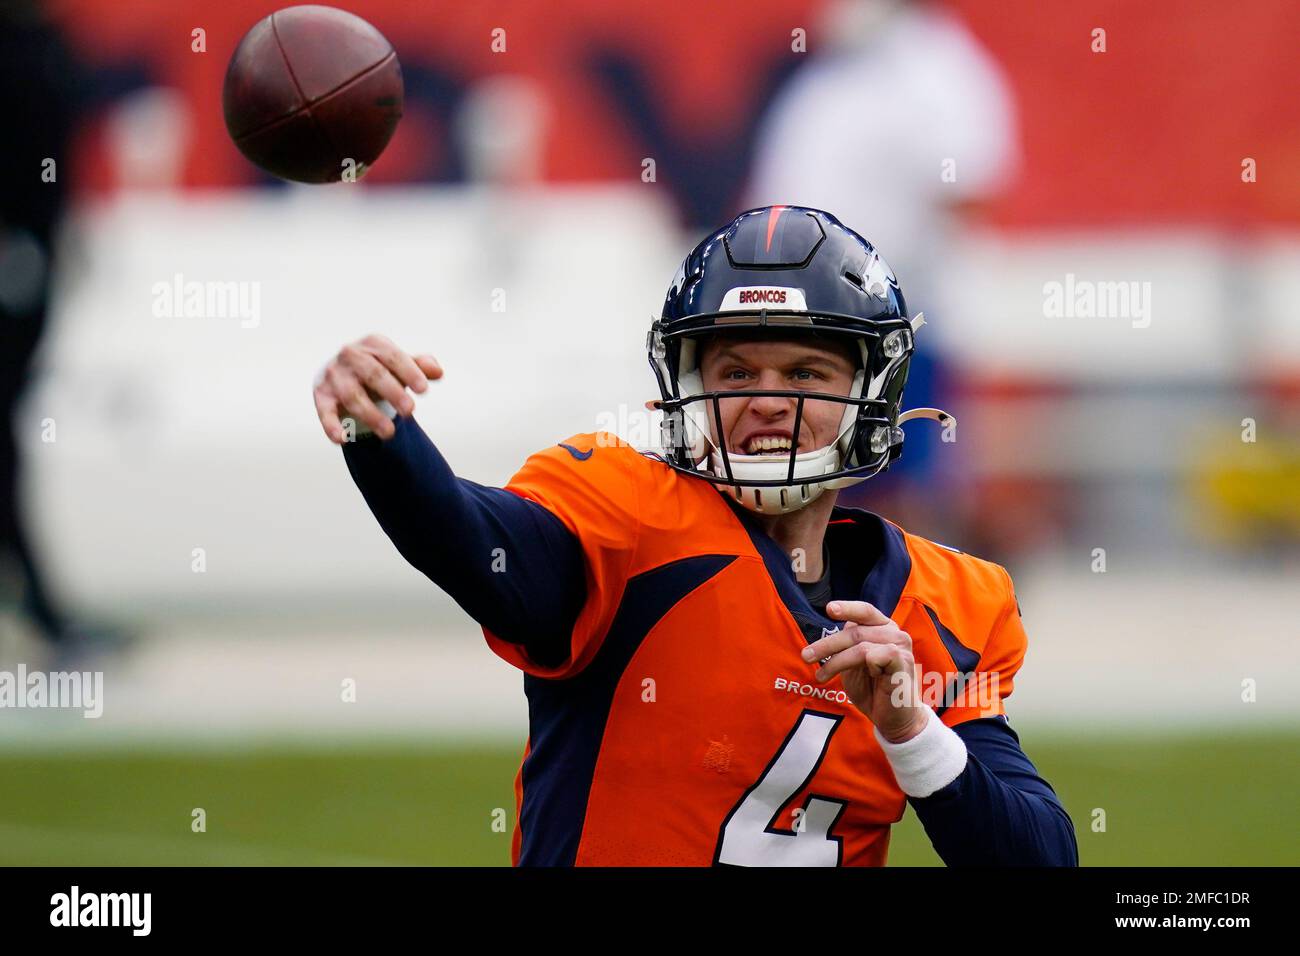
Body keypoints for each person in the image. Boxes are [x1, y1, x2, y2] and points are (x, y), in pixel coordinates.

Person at [314, 205, 1077, 866]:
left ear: (871, 393)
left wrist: (912, 731)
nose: (768, 401)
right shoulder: (632, 515)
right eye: (737, 373)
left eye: (807, 373)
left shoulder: (955, 606)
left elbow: (1040, 856)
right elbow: (469, 540)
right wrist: (383, 436)